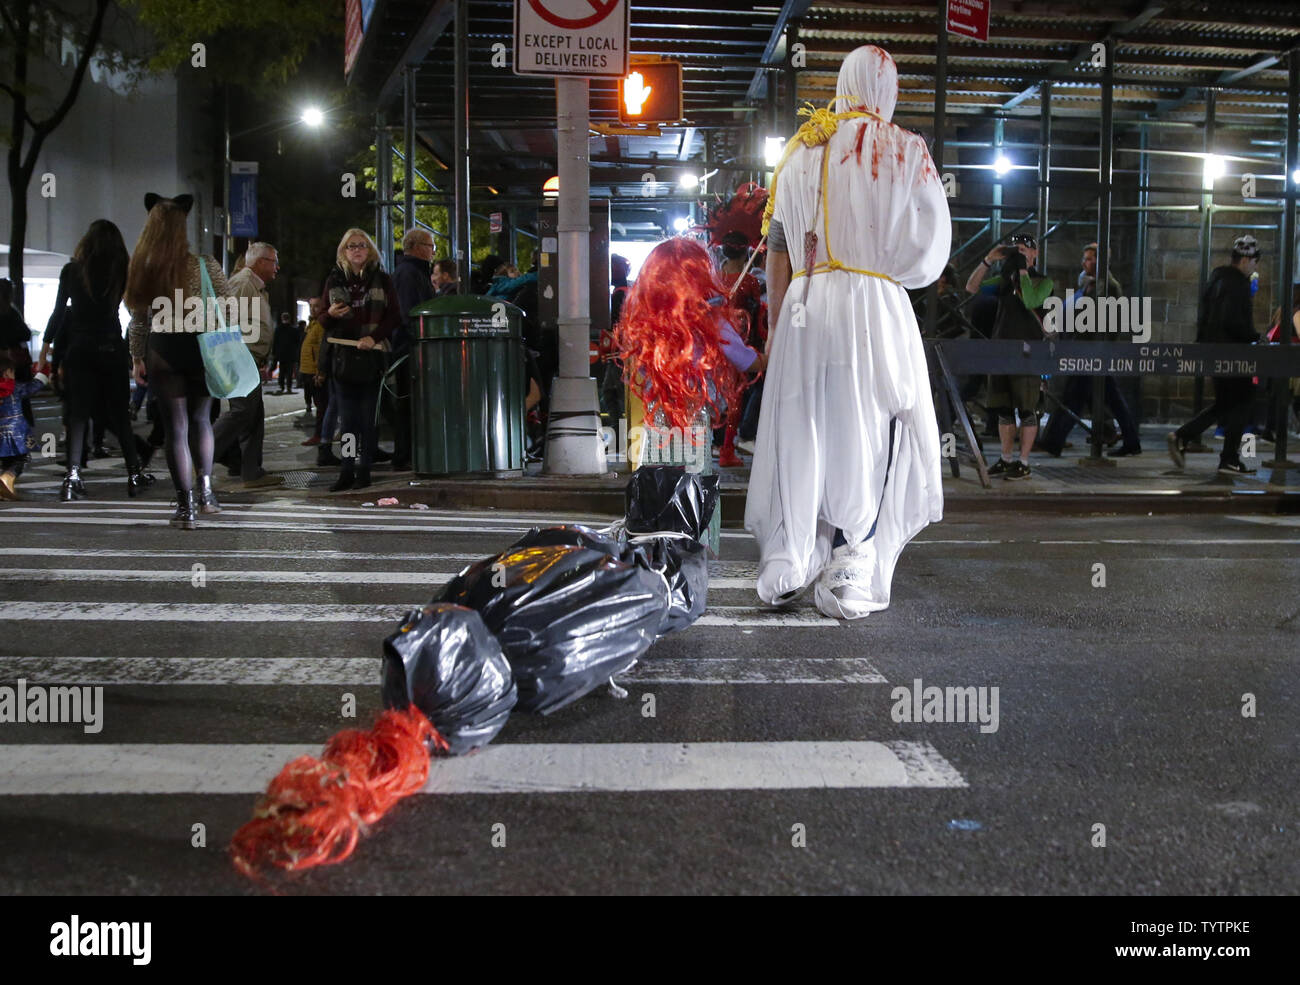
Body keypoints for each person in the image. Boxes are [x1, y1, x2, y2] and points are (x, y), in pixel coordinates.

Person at [747, 44, 951, 619]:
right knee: (871, 427)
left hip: (806, 307)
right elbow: (930, 253)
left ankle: (789, 557)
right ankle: (854, 560)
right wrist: (887, 264)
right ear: (887, 92)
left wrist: (778, 325)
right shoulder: (907, 150)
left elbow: (778, 253)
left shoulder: (799, 151)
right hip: (874, 303)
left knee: (802, 426)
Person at [615, 237, 767, 554]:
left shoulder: (645, 323)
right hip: (693, 420)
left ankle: (655, 551)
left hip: (656, 422)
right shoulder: (711, 321)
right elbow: (747, 362)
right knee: (694, 491)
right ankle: (693, 551)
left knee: (656, 491)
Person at [126, 193, 232, 529]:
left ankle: (185, 509)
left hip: (163, 351)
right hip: (202, 349)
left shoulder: (145, 267)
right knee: (202, 421)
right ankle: (208, 494)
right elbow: (228, 305)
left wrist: (136, 356)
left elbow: (138, 319)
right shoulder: (204, 264)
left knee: (176, 429)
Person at [46, 219, 155, 500]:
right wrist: (138, 353)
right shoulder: (121, 271)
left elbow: (59, 313)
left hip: (79, 348)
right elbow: (136, 313)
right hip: (110, 347)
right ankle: (134, 475)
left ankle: (72, 478)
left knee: (78, 414)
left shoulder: (71, 271)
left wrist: (46, 349)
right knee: (119, 414)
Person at [1036, 242, 1142, 458]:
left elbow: (1111, 321)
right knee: (1102, 398)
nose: (1086, 262)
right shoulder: (1089, 285)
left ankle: (1053, 441)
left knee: (1074, 396)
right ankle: (1130, 440)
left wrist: (1099, 348)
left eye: (1091, 258)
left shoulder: (1108, 286)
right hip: (1084, 350)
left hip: (1092, 351)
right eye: (1084, 258)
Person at [1168, 235, 1262, 475]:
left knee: (1225, 404)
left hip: (1213, 350)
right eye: (1255, 261)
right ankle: (1228, 457)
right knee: (1244, 402)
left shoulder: (1216, 278)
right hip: (1232, 352)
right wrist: (1255, 336)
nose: (1255, 267)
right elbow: (1233, 321)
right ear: (1245, 260)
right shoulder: (1238, 283)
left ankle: (1183, 436)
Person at [318, 228, 399, 491]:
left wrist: (373, 339)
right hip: (343, 358)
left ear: (370, 250)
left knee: (368, 420)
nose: (357, 250)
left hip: (372, 358)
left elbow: (393, 316)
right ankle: (347, 469)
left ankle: (364, 469)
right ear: (344, 251)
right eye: (351, 246)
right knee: (348, 421)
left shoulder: (383, 280)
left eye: (362, 245)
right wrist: (330, 313)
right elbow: (322, 320)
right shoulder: (334, 279)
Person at [969, 235, 1052, 480]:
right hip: (1001, 352)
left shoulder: (1043, 281)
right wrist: (988, 260)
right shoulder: (1005, 281)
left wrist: (1023, 272)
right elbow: (972, 288)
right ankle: (1006, 459)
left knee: (1027, 410)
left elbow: (1031, 301)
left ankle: (1023, 461)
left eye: (1025, 250)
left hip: (1028, 354)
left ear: (1035, 254)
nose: (1020, 255)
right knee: (1003, 410)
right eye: (1017, 251)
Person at [211, 241, 279, 486]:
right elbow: (222, 320)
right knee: (242, 412)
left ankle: (251, 471)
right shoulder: (242, 284)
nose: (277, 268)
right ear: (261, 262)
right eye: (274, 262)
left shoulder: (255, 287)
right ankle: (200, 456)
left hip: (248, 358)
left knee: (253, 415)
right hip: (239, 357)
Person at [388, 228, 436, 470]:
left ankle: (406, 453)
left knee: (409, 402)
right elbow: (409, 313)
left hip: (409, 346)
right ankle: (404, 454)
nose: (433, 251)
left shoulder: (409, 272)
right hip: (410, 348)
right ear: (417, 247)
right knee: (409, 402)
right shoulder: (410, 274)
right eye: (431, 246)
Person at [0, 355, 49, 499]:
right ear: (7, 372)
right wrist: (43, 372)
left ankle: (4, 490)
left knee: (6, 460)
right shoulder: (16, 388)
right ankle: (7, 477)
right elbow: (33, 386)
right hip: (16, 431)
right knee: (22, 459)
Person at [0, 278, 34, 429]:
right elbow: (26, 334)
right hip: (17, 364)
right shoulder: (13, 312)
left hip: (4, 363)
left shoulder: (11, 312)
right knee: (21, 402)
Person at [299, 298, 328, 448]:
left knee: (321, 405)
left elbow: (321, 350)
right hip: (307, 370)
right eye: (310, 306)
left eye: (316, 306)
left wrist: (319, 371)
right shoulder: (311, 324)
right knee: (318, 404)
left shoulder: (321, 325)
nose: (312, 309)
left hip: (314, 372)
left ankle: (320, 435)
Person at [272, 312, 299, 394]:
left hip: (281, 354)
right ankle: (289, 387)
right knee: (290, 372)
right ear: (289, 319)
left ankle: (281, 386)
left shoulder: (278, 329)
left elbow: (275, 342)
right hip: (290, 354)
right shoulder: (293, 329)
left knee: (282, 371)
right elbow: (297, 342)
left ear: (282, 318)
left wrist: (274, 353)